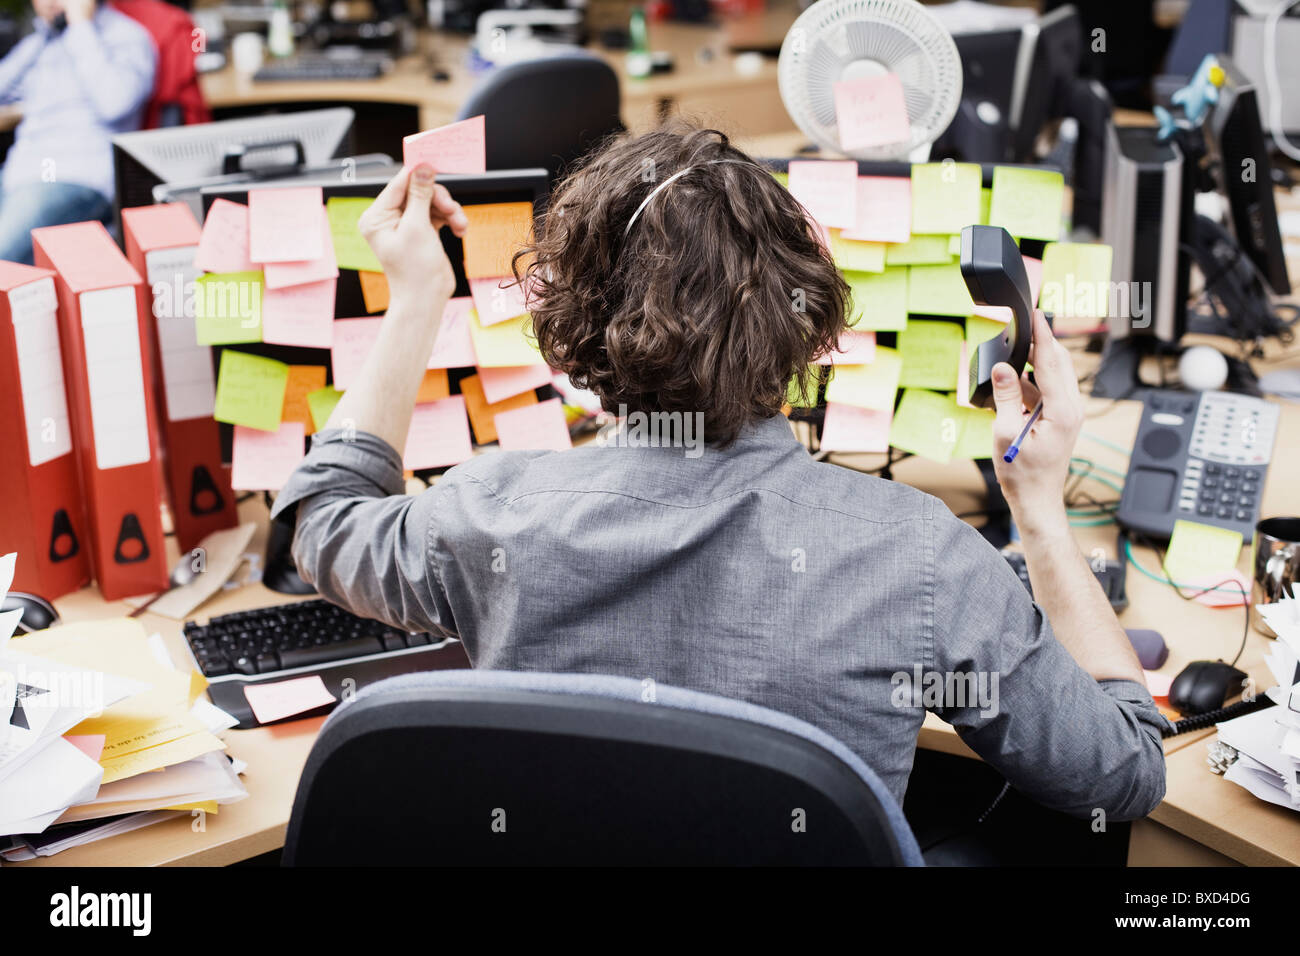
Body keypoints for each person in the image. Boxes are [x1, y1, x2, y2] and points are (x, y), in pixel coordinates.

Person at [271, 124, 1167, 822]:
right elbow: (1121, 776)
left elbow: (323, 519)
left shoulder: (487, 516)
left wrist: (418, 296)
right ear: (818, 332)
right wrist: (1039, 513)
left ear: (572, 339)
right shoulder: (917, 556)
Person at [0, 0, 156, 263]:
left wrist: (80, 25)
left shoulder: (126, 37)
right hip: (17, 175)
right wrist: (43, 38)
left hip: (76, 178)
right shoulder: (41, 43)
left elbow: (115, 103)